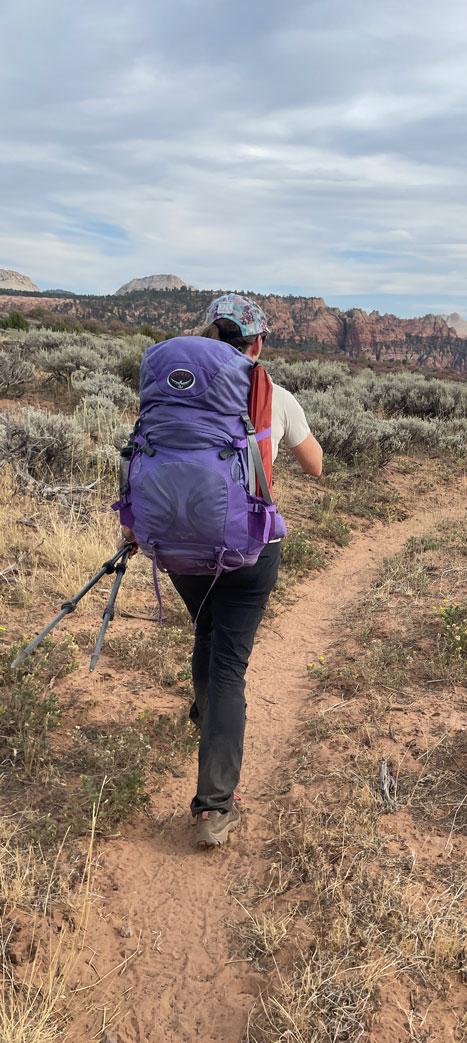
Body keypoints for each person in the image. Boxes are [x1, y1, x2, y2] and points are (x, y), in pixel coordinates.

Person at [120, 294, 322, 847]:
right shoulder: (274, 396)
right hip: (250, 550)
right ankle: (214, 809)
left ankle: (207, 713)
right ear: (257, 344)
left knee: (205, 634)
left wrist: (133, 531)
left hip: (178, 547)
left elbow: (143, 456)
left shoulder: (171, 395)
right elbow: (317, 464)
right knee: (230, 663)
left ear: (206, 335)